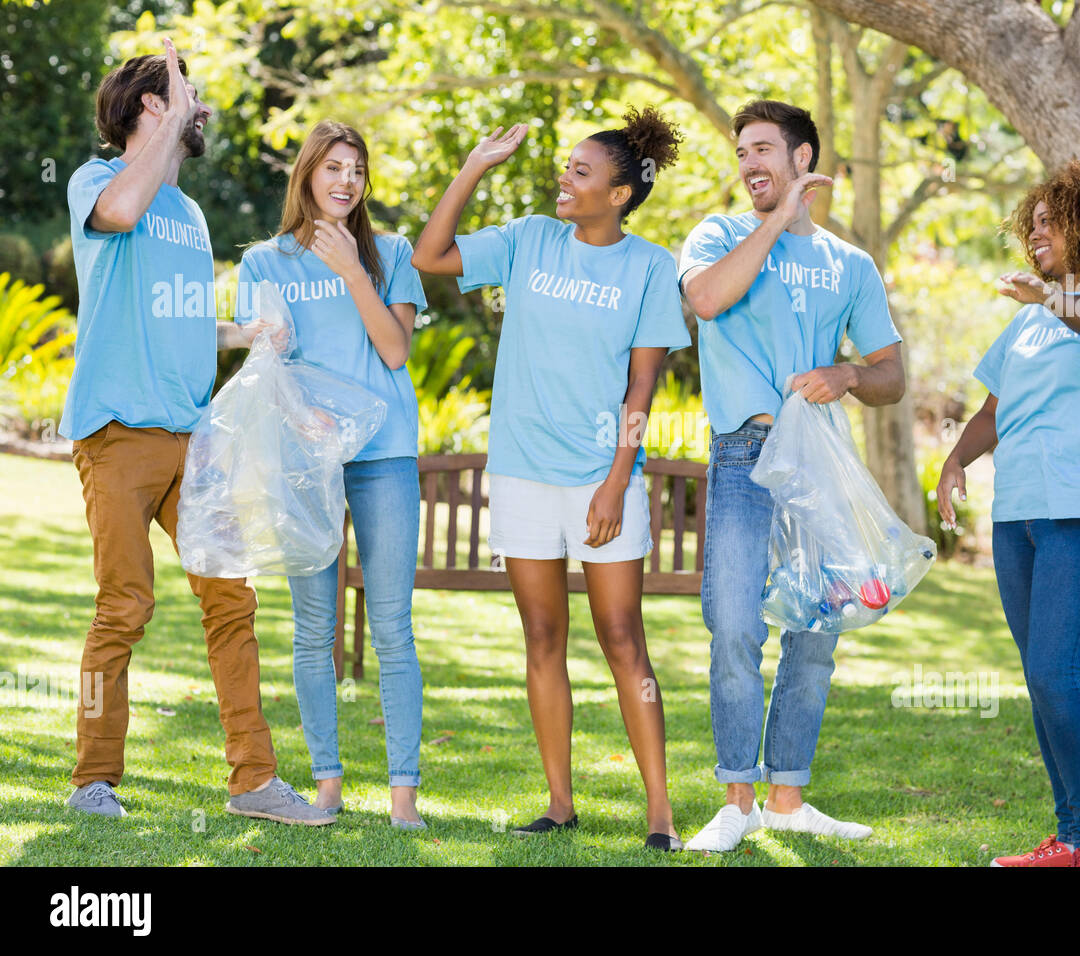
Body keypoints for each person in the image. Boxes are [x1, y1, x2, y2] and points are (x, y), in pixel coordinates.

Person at [61, 39, 332, 825]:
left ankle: (252, 782)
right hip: (116, 435)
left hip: (195, 440)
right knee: (125, 604)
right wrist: (174, 112)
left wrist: (245, 332)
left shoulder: (188, 213)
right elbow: (117, 216)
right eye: (187, 97)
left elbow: (177, 318)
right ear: (154, 104)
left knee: (231, 600)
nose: (200, 109)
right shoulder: (99, 179)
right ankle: (92, 779)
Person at [411, 107, 692, 851]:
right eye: (565, 168)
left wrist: (614, 481)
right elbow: (428, 257)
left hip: (603, 479)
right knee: (542, 634)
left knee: (623, 637)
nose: (563, 180)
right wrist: (475, 166)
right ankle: (559, 804)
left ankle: (659, 812)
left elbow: (643, 392)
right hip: (522, 473)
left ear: (620, 193)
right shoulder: (529, 239)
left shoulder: (651, 268)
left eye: (580, 172)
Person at [677, 99, 906, 852]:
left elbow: (892, 375)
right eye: (742, 151)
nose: (748, 164)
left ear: (801, 158)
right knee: (735, 625)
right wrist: (776, 222)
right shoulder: (717, 236)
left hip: (820, 463)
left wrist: (846, 372)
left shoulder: (850, 264)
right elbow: (706, 299)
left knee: (816, 630)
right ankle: (737, 799)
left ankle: (787, 798)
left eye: (764, 150)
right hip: (745, 454)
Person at [936, 157, 1080, 868]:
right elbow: (993, 410)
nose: (1036, 233)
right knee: (1039, 675)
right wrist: (952, 461)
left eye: (1050, 222)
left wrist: (1046, 297)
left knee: (1057, 673)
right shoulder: (1025, 326)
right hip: (1017, 517)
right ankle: (1069, 837)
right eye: (1032, 224)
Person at [234, 120, 428, 829]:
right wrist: (296, 407)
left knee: (393, 626)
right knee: (314, 630)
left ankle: (403, 792)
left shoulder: (393, 253)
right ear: (308, 174)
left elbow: (396, 350)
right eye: (333, 167)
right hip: (304, 461)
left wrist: (352, 271)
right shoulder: (264, 263)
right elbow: (263, 366)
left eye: (357, 170)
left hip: (384, 458)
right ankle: (327, 783)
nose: (346, 180)